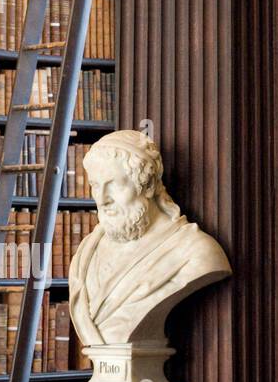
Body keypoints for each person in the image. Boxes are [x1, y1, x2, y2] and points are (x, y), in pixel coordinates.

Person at [68, 130, 230, 347]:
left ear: (148, 185)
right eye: (96, 186)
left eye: (114, 184)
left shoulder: (196, 252)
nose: (102, 199)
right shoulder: (86, 253)